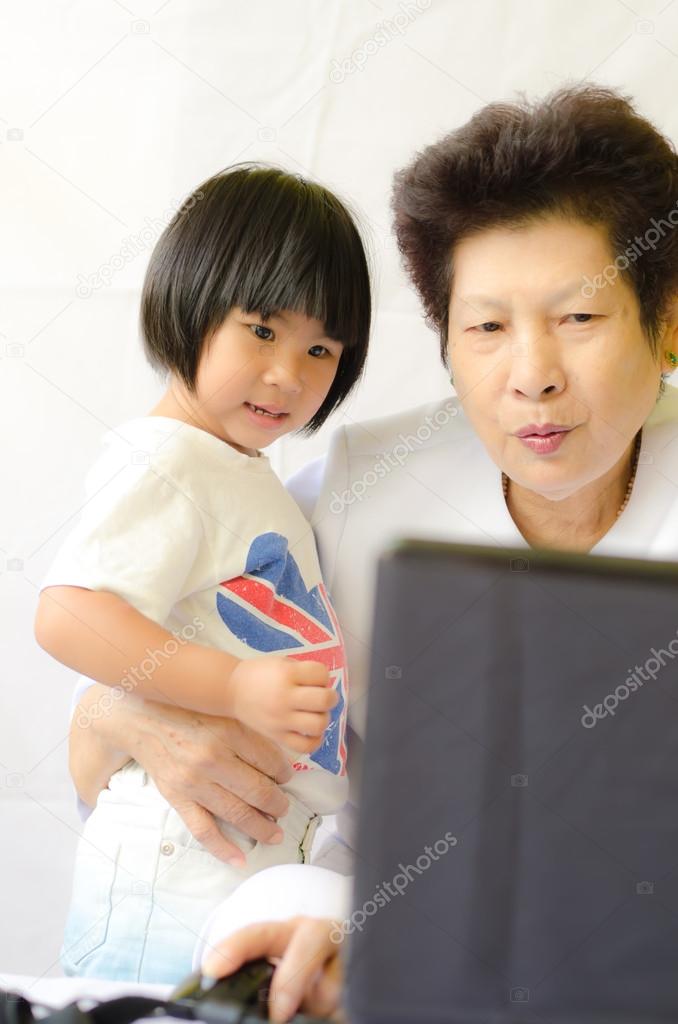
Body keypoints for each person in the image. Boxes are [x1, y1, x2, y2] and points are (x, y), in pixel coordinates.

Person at [65, 82, 678, 1019]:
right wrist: (122, 706)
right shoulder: (366, 483)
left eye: (579, 317)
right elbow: (124, 671)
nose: (533, 376)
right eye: (485, 328)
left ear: (667, 319)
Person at [33, 163, 371, 982]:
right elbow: (67, 613)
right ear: (188, 303)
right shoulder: (167, 458)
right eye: (262, 330)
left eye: (320, 348)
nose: (288, 374)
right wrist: (233, 689)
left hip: (246, 863)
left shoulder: (244, 473)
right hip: (169, 864)